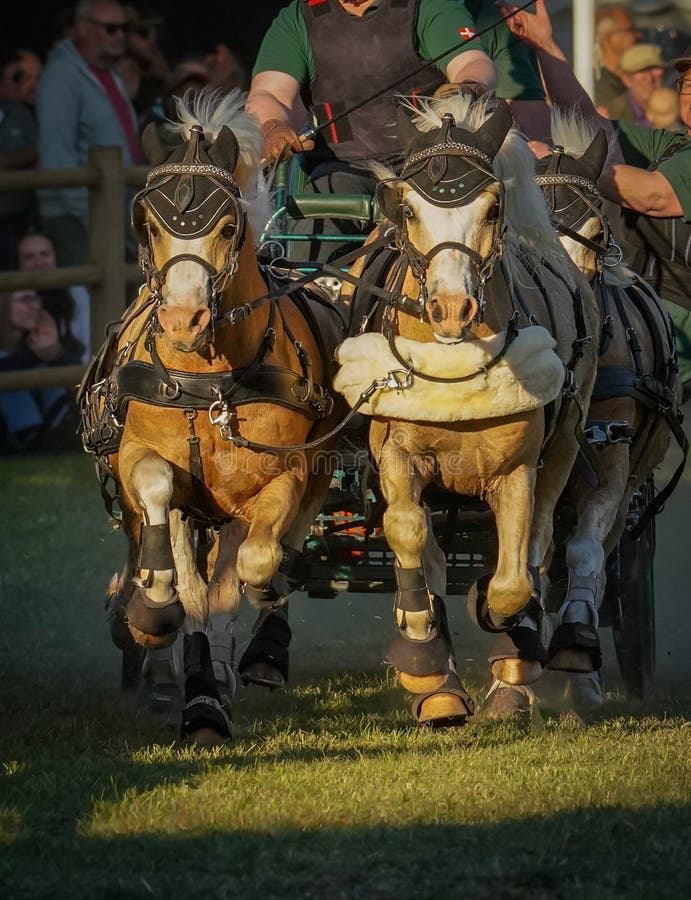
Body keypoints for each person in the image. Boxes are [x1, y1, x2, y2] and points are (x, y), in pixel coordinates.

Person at [498, 0, 691, 402]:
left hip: (678, 325)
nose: (689, 93)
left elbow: (649, 196)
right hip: (641, 305)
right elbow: (590, 126)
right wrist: (546, 48)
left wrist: (560, 161)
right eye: (687, 84)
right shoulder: (672, 144)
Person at [247, 0, 496, 261]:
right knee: (315, 228)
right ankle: (317, 294)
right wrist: (272, 126)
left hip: (426, 167)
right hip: (340, 168)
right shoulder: (299, 17)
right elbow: (268, 93)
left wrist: (468, 86)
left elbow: (472, 61)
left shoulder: (427, 5)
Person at [35, 0, 143, 267]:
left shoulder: (108, 72)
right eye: (110, 29)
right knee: (92, 299)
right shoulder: (61, 77)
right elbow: (56, 158)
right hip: (77, 217)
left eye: (123, 28)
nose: (120, 36)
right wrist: (93, 215)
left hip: (112, 210)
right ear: (82, 29)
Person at [0, 289, 83, 452]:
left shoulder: (45, 330)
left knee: (46, 370)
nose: (34, 307)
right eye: (24, 300)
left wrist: (55, 351)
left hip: (53, 426)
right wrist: (35, 356)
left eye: (35, 299)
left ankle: (59, 432)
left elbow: (79, 365)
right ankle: (30, 439)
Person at [16, 228, 91, 362]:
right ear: (18, 263)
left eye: (45, 254)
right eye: (29, 257)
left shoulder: (75, 292)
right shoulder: (10, 297)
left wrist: (57, 353)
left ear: (56, 257)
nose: (39, 263)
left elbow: (88, 346)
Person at [0, 47, 39, 269]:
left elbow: (36, 151)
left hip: (22, 215)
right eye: (17, 77)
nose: (23, 83)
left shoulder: (22, 113)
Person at [593, 4, 641, 117]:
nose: (638, 35)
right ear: (609, 36)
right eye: (630, 30)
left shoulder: (636, 75)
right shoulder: (594, 84)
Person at [606, 42, 667, 125]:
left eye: (653, 68)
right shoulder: (612, 115)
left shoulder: (680, 108)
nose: (649, 78)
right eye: (641, 70)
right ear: (626, 79)